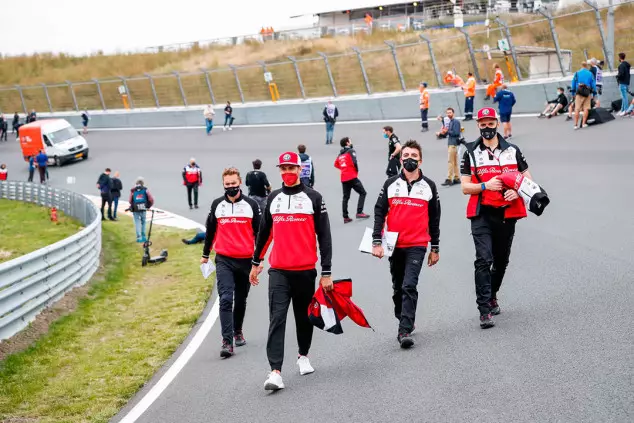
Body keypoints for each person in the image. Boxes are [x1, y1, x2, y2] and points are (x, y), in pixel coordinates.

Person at [250, 151, 333, 391]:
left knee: (303, 317)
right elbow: (264, 233)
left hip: (306, 269)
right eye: (283, 168)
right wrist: (257, 262)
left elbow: (325, 237)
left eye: (291, 168)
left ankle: (303, 355)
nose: (287, 172)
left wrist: (326, 271)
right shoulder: (273, 198)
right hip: (279, 271)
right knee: (277, 318)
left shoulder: (314, 198)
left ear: (299, 170)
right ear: (279, 171)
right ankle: (275, 372)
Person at [460, 107, 533, 329]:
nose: (487, 127)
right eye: (483, 123)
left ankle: (492, 295)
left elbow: (528, 180)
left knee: (501, 261)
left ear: (497, 123)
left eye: (491, 123)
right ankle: (484, 310)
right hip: (481, 212)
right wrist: (485, 185)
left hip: (507, 213)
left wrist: (518, 191)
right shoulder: (470, 152)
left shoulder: (513, 150)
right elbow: (465, 187)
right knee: (483, 259)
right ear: (478, 125)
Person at [372, 139, 440, 349]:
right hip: (394, 244)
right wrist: (376, 240)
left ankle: (404, 330)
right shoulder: (390, 184)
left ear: (421, 160)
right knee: (398, 288)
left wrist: (435, 247)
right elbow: (379, 211)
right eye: (406, 156)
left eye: (414, 157)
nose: (410, 159)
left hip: (418, 245)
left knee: (409, 285)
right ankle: (403, 316)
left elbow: (435, 219)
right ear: (401, 159)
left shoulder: (429, 186)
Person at [201, 167, 263, 358]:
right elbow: (210, 230)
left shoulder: (252, 205)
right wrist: (205, 255)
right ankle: (227, 341)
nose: (230, 187)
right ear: (223, 185)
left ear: (240, 183)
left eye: (233, 184)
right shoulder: (217, 205)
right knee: (226, 298)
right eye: (227, 184)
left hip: (246, 260)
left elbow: (260, 235)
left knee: (241, 299)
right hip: (224, 259)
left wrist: (258, 261)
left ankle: (237, 331)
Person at [334, 137, 370, 223]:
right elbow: (354, 162)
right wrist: (356, 170)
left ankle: (345, 217)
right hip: (352, 176)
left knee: (345, 197)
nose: (351, 142)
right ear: (347, 143)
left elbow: (336, 164)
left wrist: (344, 168)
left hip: (344, 177)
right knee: (363, 193)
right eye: (350, 141)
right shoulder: (351, 151)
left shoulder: (340, 154)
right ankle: (359, 212)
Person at [571, 62, 596, 130]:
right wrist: (594, 94)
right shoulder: (590, 73)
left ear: (581, 66)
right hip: (587, 93)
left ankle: (575, 125)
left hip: (579, 93)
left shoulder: (577, 73)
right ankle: (584, 123)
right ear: (587, 66)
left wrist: (573, 94)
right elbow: (593, 84)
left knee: (577, 109)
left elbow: (573, 83)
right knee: (586, 108)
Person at [129, 177, 154, 243]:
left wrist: (132, 205)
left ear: (136, 184)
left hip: (135, 209)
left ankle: (139, 238)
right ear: (142, 184)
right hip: (143, 208)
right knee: (143, 222)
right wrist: (149, 206)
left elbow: (130, 200)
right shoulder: (145, 190)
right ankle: (143, 236)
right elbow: (151, 199)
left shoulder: (133, 190)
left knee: (137, 223)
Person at [441, 108, 462, 187]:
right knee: (455, 162)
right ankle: (456, 178)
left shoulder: (455, 122)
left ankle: (449, 179)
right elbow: (450, 133)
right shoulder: (451, 122)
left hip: (453, 144)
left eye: (450, 113)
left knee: (450, 162)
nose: (448, 114)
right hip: (453, 143)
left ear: (453, 113)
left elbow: (456, 133)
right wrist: (443, 133)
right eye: (447, 113)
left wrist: (447, 131)